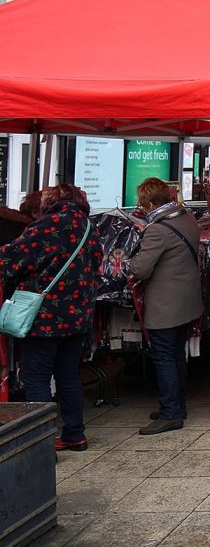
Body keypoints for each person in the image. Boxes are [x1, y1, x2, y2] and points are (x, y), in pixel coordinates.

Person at [0, 183, 103, 451]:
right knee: (69, 376)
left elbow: (11, 260)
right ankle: (75, 434)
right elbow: (97, 265)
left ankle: (42, 445)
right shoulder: (88, 226)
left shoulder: (47, 225)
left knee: (37, 378)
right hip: (78, 316)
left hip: (44, 317)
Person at [128, 177, 203, 435]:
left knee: (163, 356)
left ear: (149, 204)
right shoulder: (186, 217)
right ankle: (177, 405)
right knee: (176, 354)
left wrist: (128, 261)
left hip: (166, 305)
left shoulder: (157, 230)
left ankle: (171, 412)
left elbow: (141, 268)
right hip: (186, 300)